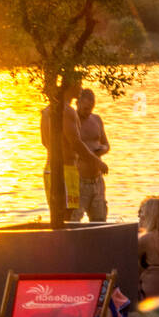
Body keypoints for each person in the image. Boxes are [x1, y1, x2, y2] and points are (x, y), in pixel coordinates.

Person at [41, 78, 107, 221]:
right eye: (79, 83)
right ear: (70, 85)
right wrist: (97, 161)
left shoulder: (46, 111)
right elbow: (75, 143)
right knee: (68, 218)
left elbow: (44, 142)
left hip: (49, 169)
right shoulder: (67, 111)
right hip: (65, 171)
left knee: (59, 218)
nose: (81, 88)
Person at [75, 88, 110, 222]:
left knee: (100, 220)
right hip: (79, 181)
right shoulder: (73, 121)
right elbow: (76, 147)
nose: (87, 111)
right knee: (74, 219)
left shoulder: (96, 119)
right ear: (78, 103)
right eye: (84, 108)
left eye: (90, 108)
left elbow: (106, 144)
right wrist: (95, 159)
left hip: (97, 180)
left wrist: (101, 150)